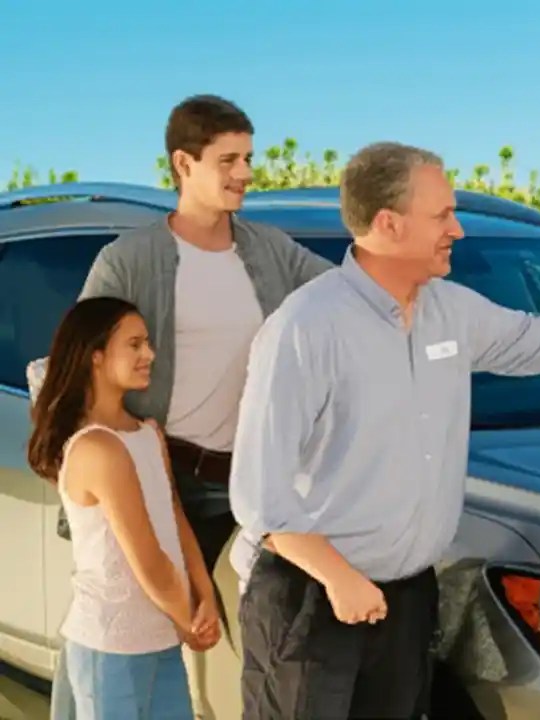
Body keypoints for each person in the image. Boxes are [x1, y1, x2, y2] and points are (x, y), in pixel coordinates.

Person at [228, 141, 540, 719]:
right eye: (441, 215)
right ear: (388, 223)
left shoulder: (452, 310)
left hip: (404, 599)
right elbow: (260, 497)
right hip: (313, 597)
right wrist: (339, 579)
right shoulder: (305, 328)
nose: (458, 230)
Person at [47, 93, 334, 719]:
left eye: (249, 158)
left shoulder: (270, 251)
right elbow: (73, 366)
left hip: (257, 482)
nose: (246, 174)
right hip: (163, 476)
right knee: (123, 634)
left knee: (260, 647)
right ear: (183, 163)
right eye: (228, 159)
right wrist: (95, 463)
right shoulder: (129, 260)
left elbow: (344, 297)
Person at [26, 297, 221, 718]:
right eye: (134, 344)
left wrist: (206, 597)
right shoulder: (97, 449)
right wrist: (190, 618)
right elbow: (147, 558)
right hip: (108, 649)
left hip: (159, 638)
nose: (148, 354)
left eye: (147, 343)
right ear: (96, 356)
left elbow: (174, 519)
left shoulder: (146, 434)